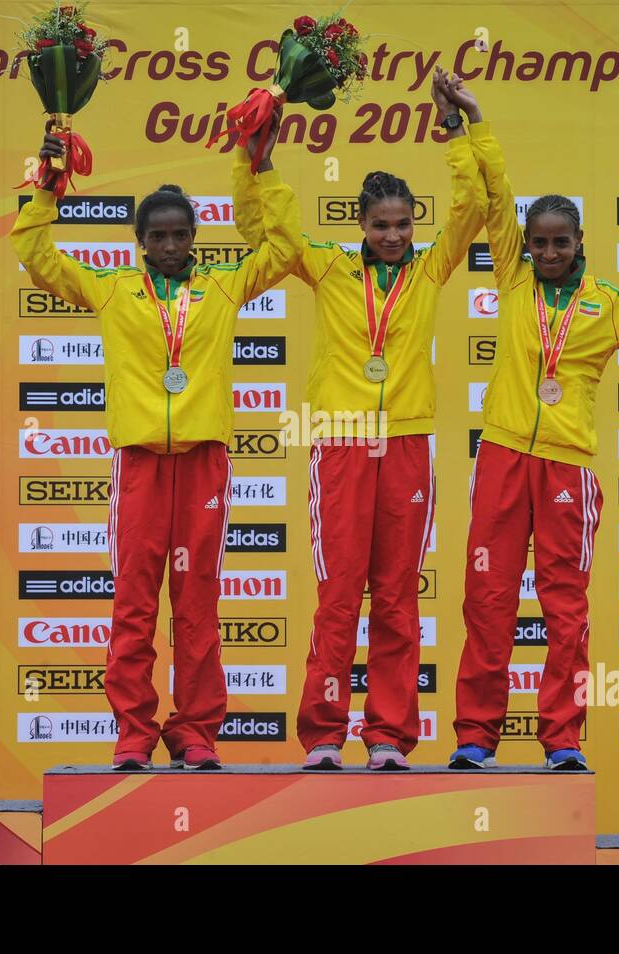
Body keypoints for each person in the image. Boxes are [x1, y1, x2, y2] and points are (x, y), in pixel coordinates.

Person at [443, 78, 619, 772]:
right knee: (489, 603)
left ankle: (561, 739)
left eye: (560, 242)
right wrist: (473, 120)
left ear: (579, 241)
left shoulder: (606, 304)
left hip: (567, 468)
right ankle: (475, 735)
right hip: (504, 456)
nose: (548, 252)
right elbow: (497, 198)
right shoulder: (512, 278)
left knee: (565, 613)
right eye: (538, 242)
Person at [11, 119, 300, 771]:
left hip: (203, 464)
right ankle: (135, 732)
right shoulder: (112, 290)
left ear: (195, 240)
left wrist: (259, 168)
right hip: (140, 464)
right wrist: (45, 188)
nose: (170, 246)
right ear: (140, 243)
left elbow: (282, 247)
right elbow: (34, 253)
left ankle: (195, 730)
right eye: (158, 236)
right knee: (135, 603)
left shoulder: (223, 287)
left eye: (180, 235)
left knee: (197, 603)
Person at [233, 69, 487, 771]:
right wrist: (256, 157)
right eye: (381, 225)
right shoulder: (325, 268)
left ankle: (389, 737)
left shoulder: (431, 270)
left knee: (398, 600)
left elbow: (474, 207)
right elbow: (268, 227)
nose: (393, 235)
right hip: (342, 443)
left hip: (405, 441)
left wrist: (459, 127)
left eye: (404, 224)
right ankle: (322, 736)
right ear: (360, 226)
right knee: (338, 596)